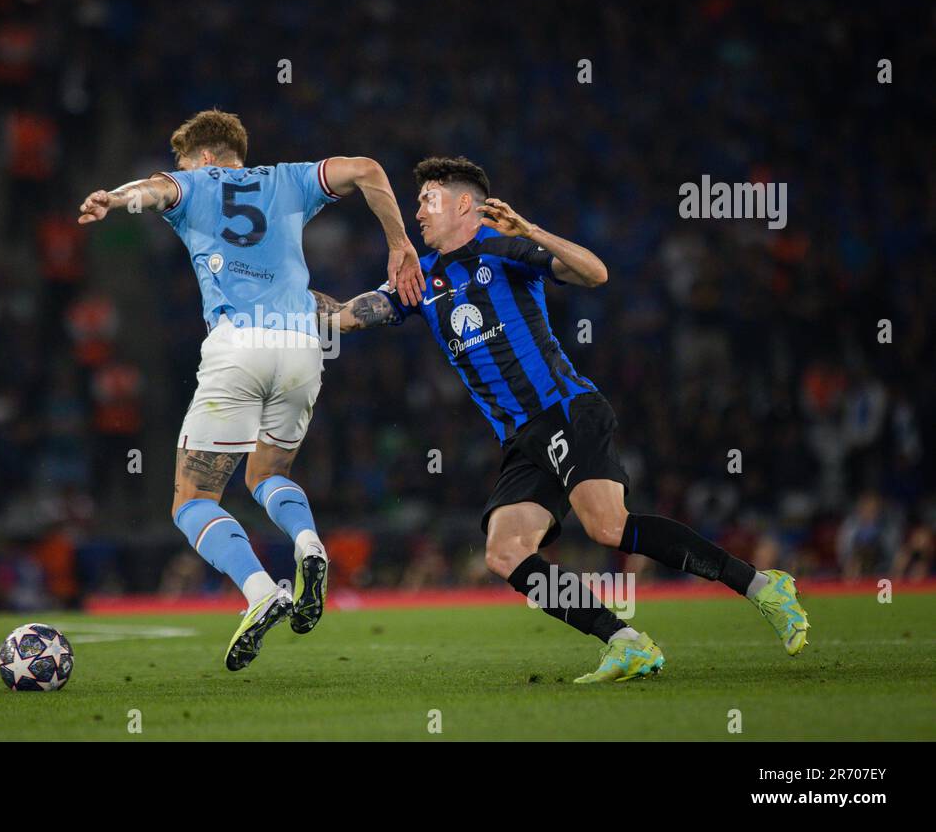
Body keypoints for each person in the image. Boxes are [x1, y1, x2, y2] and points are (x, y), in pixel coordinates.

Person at [315, 156, 810, 682]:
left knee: (608, 526)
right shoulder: (422, 279)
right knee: (506, 552)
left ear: (464, 204)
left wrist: (531, 230)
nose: (416, 211)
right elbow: (345, 316)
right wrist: (274, 312)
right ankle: (625, 641)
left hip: (566, 410)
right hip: (523, 437)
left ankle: (760, 584)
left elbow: (596, 273)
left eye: (427, 200)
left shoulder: (506, 249)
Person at [77, 109, 423, 669]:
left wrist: (113, 199)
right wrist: (400, 247)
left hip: (237, 345)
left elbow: (157, 191)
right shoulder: (291, 179)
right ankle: (308, 543)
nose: (182, 172)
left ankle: (262, 590)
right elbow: (366, 170)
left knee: (192, 500)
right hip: (302, 346)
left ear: (205, 158)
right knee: (267, 474)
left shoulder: (193, 184)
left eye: (185, 163)